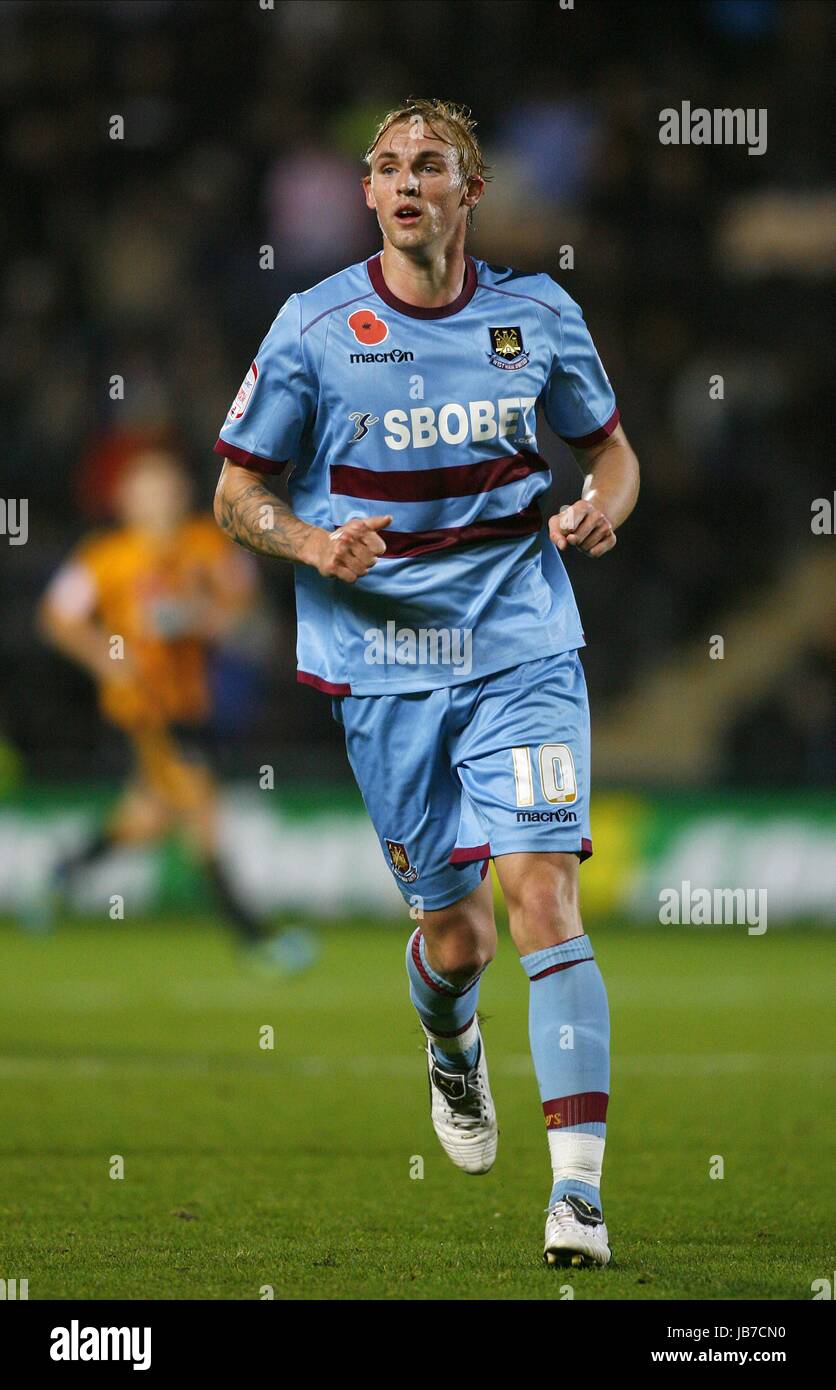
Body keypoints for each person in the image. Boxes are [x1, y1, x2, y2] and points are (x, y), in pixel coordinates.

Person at [212, 99, 639, 1265]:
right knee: (455, 940)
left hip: (520, 644)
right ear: (366, 194)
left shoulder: (535, 315)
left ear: (470, 191)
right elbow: (234, 492)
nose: (406, 182)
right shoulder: (312, 327)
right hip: (385, 665)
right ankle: (452, 1050)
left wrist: (604, 503)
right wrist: (307, 543)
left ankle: (578, 1198)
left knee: (540, 894)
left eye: (429, 166)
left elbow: (608, 448)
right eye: (387, 166)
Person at [39, 444, 316, 975]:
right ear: (124, 498)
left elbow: (247, 617)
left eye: (167, 486)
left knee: (146, 815)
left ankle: (65, 872)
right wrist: (106, 660)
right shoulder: (105, 556)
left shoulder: (204, 547)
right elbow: (58, 618)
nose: (159, 497)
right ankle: (253, 937)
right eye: (147, 487)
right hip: (141, 709)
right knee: (200, 809)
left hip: (191, 706)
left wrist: (198, 615)